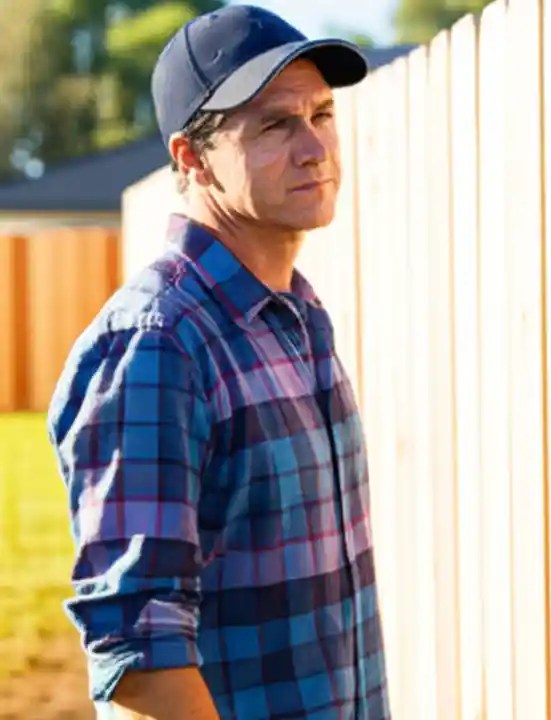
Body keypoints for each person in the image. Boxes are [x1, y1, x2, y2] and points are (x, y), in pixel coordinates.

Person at [46, 6, 388, 718]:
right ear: (191, 159)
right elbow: (139, 657)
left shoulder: (295, 318)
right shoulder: (157, 342)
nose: (315, 148)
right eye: (273, 125)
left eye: (322, 114)